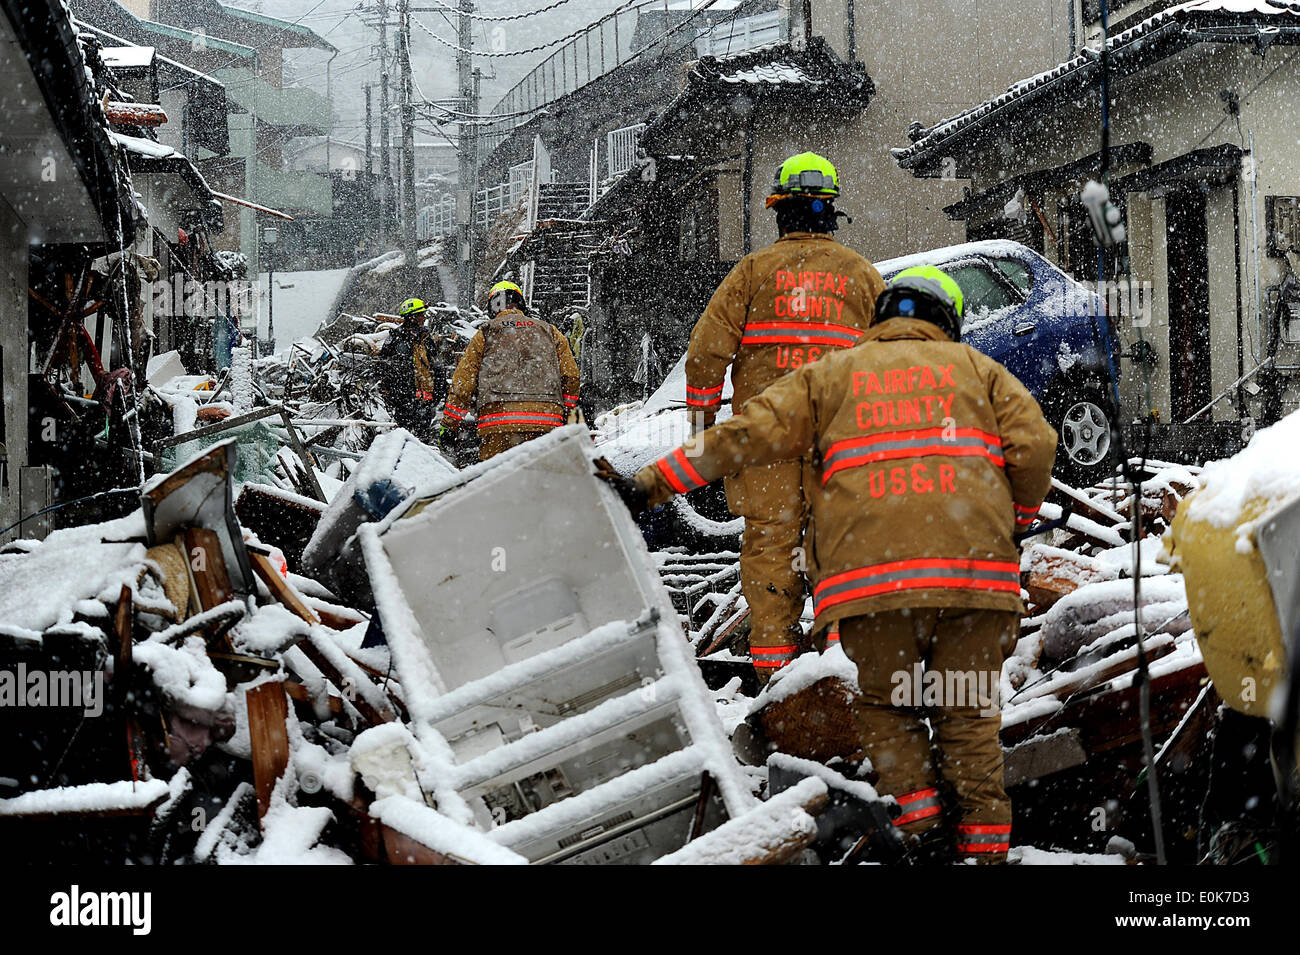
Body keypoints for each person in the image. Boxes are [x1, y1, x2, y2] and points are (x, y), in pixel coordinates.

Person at [606, 267, 1058, 863]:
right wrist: (1019, 521)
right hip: (975, 584)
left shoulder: (831, 377)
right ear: (945, 321)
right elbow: (1037, 447)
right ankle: (980, 856)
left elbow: (739, 437)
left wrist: (649, 483)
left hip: (876, 589)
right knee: (969, 717)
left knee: (890, 710)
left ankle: (919, 832)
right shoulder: (982, 374)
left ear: (882, 319)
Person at [683, 151, 886, 683]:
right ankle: (838, 683)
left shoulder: (752, 274)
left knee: (773, 556)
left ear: (780, 214)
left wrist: (704, 433)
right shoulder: (863, 278)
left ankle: (776, 688)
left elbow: (705, 354)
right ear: (830, 213)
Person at [442, 281, 581, 462]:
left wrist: (450, 425)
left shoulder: (486, 333)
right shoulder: (549, 331)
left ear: (492, 307)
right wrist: (567, 411)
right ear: (520, 303)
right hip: (546, 423)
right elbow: (571, 376)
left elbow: (463, 382)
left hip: (498, 423)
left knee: (499, 482)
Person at [377, 297, 453, 442]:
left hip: (425, 404)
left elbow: (436, 367)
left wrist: (439, 392)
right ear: (411, 318)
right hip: (403, 403)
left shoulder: (425, 339)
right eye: (420, 315)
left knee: (422, 441)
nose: (423, 318)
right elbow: (383, 367)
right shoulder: (395, 339)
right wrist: (395, 395)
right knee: (402, 440)